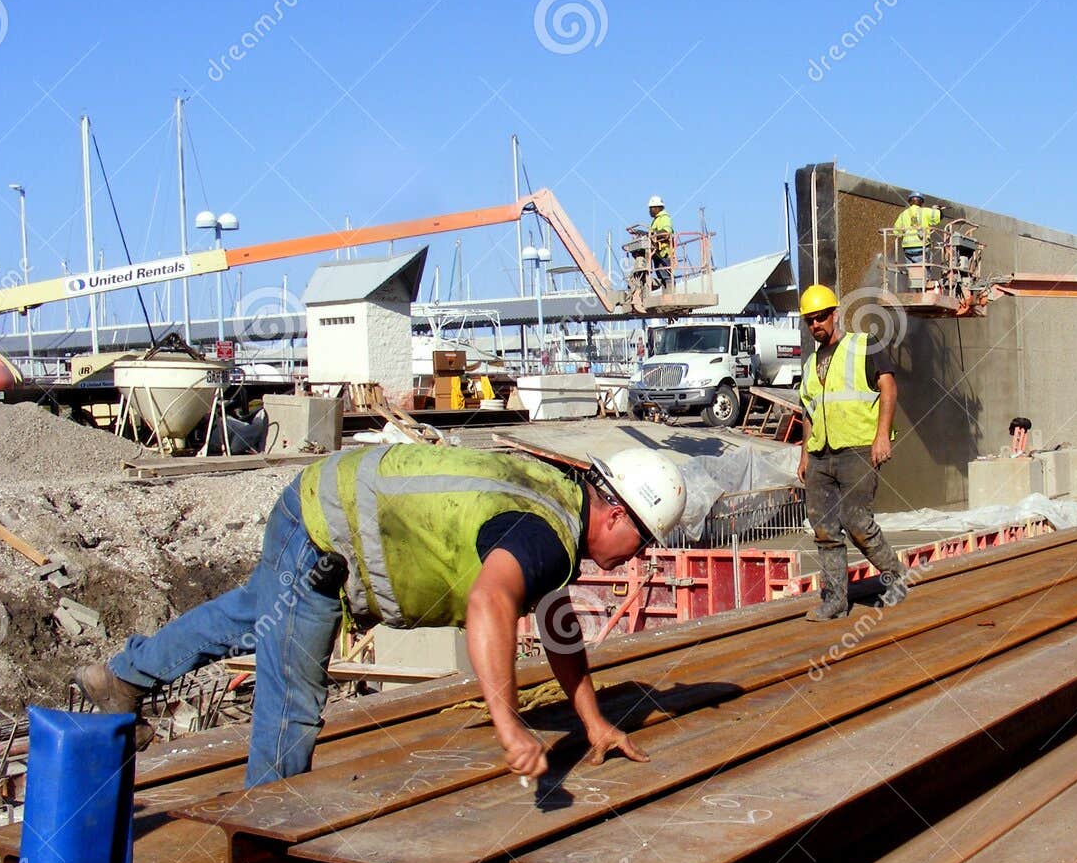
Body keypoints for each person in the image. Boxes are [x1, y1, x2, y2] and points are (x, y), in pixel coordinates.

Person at [75, 446, 687, 784]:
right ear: (615, 517)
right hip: (326, 540)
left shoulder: (558, 500)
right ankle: (266, 862)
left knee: (253, 616)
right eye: (646, 541)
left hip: (322, 498)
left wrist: (593, 721)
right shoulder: (547, 535)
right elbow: (490, 603)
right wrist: (509, 727)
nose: (642, 557)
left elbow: (557, 626)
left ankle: (125, 676)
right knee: (293, 700)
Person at [796, 283, 907, 621]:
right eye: (809, 320)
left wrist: (882, 436)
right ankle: (835, 601)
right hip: (820, 455)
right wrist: (804, 454)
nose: (816, 324)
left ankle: (895, 576)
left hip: (857, 448)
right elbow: (809, 411)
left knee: (856, 521)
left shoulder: (864, 345)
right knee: (824, 529)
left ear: (835, 314)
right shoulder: (811, 363)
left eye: (820, 317)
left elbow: (887, 387)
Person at [893, 191, 941, 265]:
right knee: (924, 271)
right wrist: (937, 209)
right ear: (921, 202)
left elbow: (896, 231)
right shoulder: (925, 211)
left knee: (912, 272)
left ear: (909, 201)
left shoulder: (903, 214)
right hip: (921, 247)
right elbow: (938, 217)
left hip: (907, 247)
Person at [646, 195, 674, 290]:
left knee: (666, 277)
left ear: (657, 207)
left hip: (663, 254)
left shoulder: (664, 217)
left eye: (651, 208)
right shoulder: (656, 220)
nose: (649, 211)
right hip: (657, 253)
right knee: (662, 277)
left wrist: (652, 234)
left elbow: (666, 232)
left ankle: (670, 294)